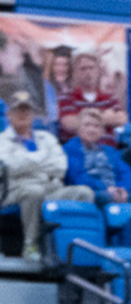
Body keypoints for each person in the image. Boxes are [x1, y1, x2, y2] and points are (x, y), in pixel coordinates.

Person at [0, 91, 93, 258]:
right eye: (18, 110)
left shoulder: (46, 138)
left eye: (27, 110)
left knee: (84, 193)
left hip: (50, 188)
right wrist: (42, 158)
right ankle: (31, 245)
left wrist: (28, 162)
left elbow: (60, 166)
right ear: (8, 115)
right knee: (33, 191)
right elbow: (11, 167)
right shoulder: (2, 140)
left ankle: (74, 247)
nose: (23, 114)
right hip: (15, 191)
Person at [63, 110, 131, 208]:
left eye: (96, 126)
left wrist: (122, 189)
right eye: (87, 125)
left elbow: (126, 172)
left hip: (115, 190)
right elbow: (76, 177)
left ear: (102, 132)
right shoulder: (69, 150)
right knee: (105, 198)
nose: (92, 130)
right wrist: (106, 188)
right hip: (92, 192)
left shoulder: (110, 151)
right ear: (78, 129)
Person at [55, 51, 125, 139]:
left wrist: (83, 120)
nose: (88, 72)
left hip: (108, 149)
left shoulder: (109, 98)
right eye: (83, 69)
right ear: (74, 73)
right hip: (78, 149)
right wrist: (106, 117)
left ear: (98, 71)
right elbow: (69, 123)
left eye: (91, 68)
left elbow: (122, 119)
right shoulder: (66, 97)